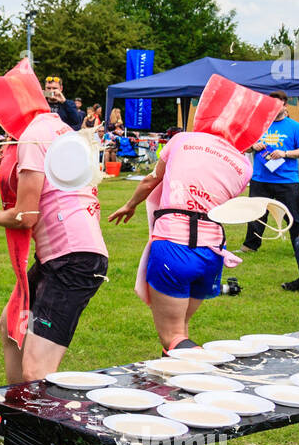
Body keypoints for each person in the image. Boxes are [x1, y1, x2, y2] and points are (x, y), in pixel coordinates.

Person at [111, 74, 282, 351]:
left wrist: (130, 205)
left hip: (174, 246)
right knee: (182, 329)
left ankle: (213, 374)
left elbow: (150, 180)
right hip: (211, 252)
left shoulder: (182, 140)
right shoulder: (243, 165)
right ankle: (178, 390)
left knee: (174, 337)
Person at [0, 58, 110, 380]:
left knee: (37, 368)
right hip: (67, 255)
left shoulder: (34, 134)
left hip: (72, 260)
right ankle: (16, 420)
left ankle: (39, 428)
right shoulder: (58, 127)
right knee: (11, 325)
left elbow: (26, 215)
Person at [240, 91, 299, 252]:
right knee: (256, 214)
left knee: (292, 217)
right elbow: (244, 147)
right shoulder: (259, 126)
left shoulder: (295, 127)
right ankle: (250, 246)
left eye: (277, 104)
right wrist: (253, 146)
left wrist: (285, 154)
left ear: (285, 105)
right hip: (260, 179)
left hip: (286, 180)